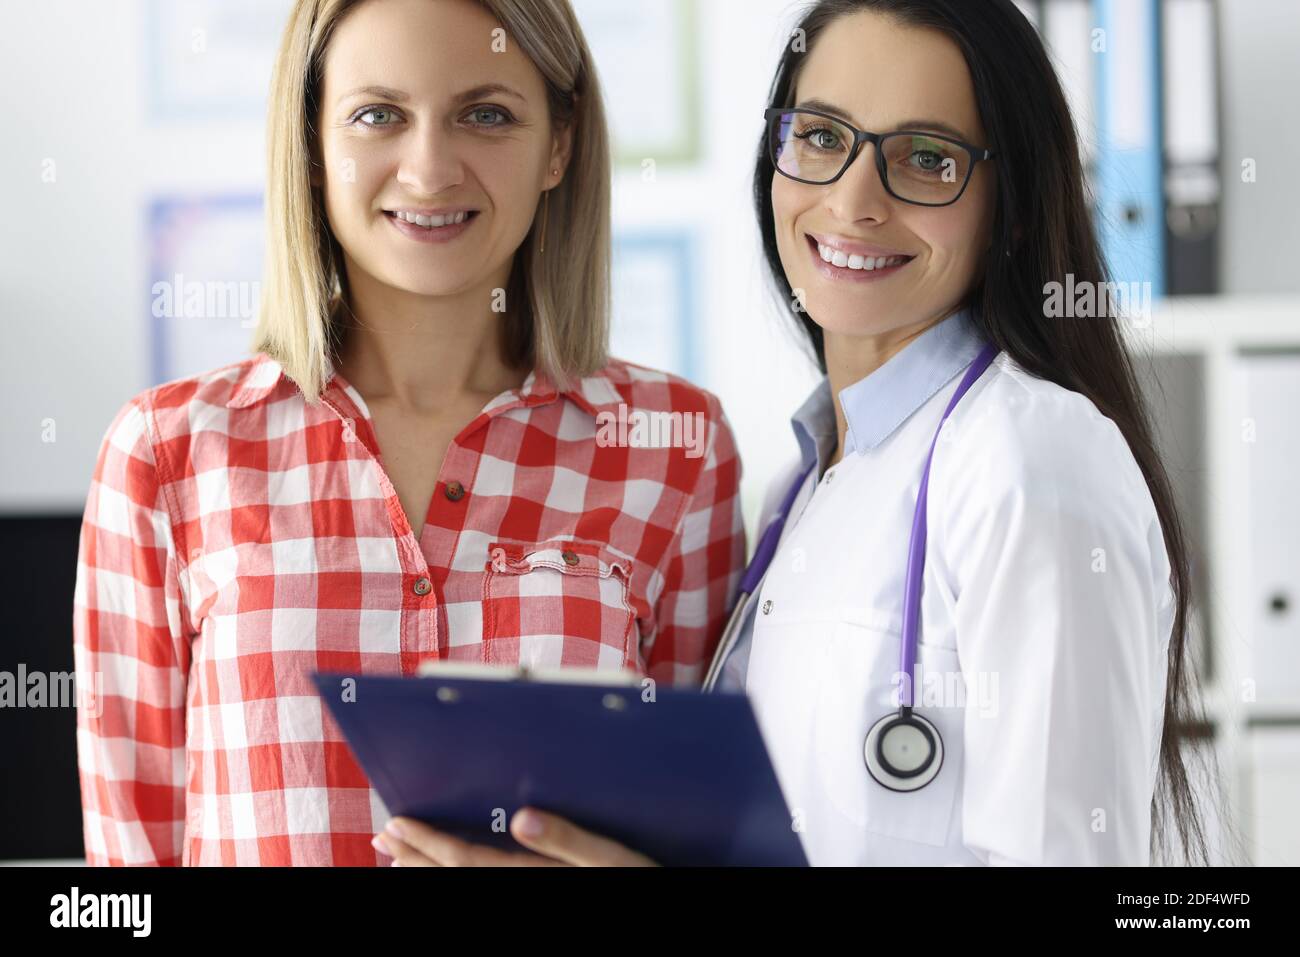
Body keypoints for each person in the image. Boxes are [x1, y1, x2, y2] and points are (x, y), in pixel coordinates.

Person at [378, 0, 1216, 867]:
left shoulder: (1031, 458)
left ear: (1012, 207)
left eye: (926, 160)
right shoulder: (806, 484)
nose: (853, 202)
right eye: (820, 138)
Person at [72, 0, 745, 867]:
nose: (429, 170)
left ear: (560, 146)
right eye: (377, 115)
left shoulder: (675, 445)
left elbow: (705, 840)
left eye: (487, 114)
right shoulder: (165, 451)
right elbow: (128, 876)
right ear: (312, 145)